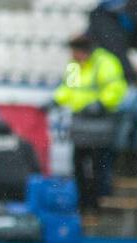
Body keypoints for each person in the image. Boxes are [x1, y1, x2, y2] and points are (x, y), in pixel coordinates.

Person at [54, 34, 127, 211]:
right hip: (80, 124)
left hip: (100, 124)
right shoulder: (74, 66)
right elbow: (67, 89)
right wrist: (56, 99)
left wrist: (100, 104)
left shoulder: (106, 62)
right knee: (78, 164)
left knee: (97, 166)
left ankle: (97, 202)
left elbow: (116, 88)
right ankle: (82, 203)